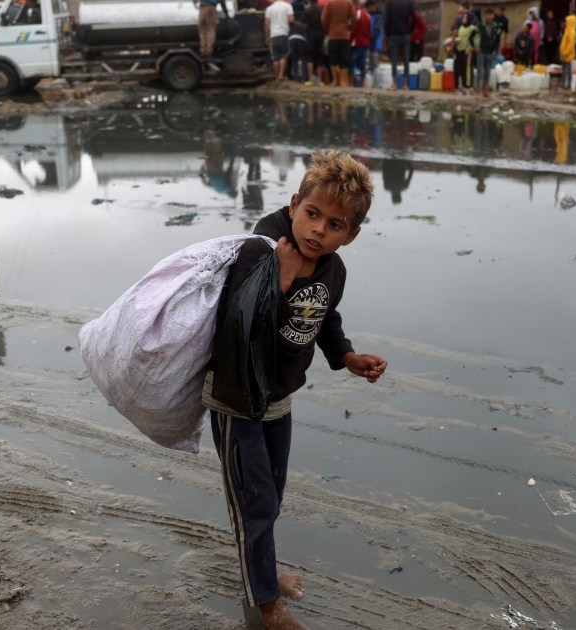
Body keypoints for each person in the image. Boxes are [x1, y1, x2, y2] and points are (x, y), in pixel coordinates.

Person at [205, 149, 386, 630]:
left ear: (351, 235)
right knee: (254, 501)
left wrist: (345, 356)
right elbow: (237, 326)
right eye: (311, 215)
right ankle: (265, 604)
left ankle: (261, 569)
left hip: (279, 399)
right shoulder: (259, 251)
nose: (318, 230)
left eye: (334, 225)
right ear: (293, 204)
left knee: (272, 496)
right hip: (236, 398)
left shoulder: (332, 268)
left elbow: (323, 316)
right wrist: (280, 281)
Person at [322, 0, 356, 86]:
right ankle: (343, 81)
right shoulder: (348, 3)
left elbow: (323, 19)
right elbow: (355, 17)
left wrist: (327, 30)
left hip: (333, 34)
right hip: (344, 35)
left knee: (333, 59)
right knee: (344, 59)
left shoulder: (330, 3)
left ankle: (334, 80)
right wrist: (350, 28)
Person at [383, 0, 413, 89]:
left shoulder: (390, 3)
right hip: (405, 34)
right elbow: (414, 17)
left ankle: (394, 84)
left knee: (394, 60)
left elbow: (387, 19)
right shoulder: (408, 2)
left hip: (393, 34)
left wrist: (387, 34)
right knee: (406, 59)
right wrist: (409, 30)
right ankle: (405, 84)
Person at [266, 0, 294, 81]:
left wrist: (267, 37)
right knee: (283, 56)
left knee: (275, 57)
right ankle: (281, 75)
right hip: (284, 33)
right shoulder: (287, 6)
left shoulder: (269, 8)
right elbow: (291, 19)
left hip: (273, 35)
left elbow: (266, 24)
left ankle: (276, 76)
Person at [475, 8, 501, 97]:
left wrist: (495, 50)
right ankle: (477, 91)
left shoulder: (496, 27)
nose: (488, 17)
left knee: (487, 72)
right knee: (480, 72)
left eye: (490, 15)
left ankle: (485, 91)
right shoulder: (480, 26)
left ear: (493, 16)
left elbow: (498, 40)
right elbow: (473, 37)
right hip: (481, 51)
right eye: (487, 15)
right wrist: (475, 46)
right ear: (484, 16)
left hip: (490, 52)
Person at [303, 0, 327, 85]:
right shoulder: (322, 10)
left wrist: (305, 34)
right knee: (319, 57)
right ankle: (319, 80)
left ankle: (310, 79)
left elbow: (304, 25)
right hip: (320, 35)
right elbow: (325, 22)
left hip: (310, 35)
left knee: (309, 57)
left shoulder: (307, 10)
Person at [350, 0, 372, 86]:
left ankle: (352, 82)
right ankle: (362, 83)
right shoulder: (368, 15)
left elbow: (354, 29)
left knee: (352, 63)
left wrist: (350, 39)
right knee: (362, 64)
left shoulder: (356, 14)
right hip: (365, 42)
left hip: (356, 42)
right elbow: (369, 31)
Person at [455, 11, 477, 94]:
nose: (464, 19)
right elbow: (460, 37)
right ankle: (463, 85)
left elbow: (474, 39)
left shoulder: (472, 28)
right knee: (461, 67)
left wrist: (470, 47)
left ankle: (468, 85)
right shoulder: (461, 28)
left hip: (467, 50)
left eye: (465, 18)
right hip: (460, 49)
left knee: (468, 68)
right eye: (463, 17)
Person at [559, 11, 576, 88]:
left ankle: (567, 84)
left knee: (567, 70)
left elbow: (571, 45)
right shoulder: (567, 30)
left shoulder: (572, 32)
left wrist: (565, 53)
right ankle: (564, 84)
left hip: (568, 55)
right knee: (564, 70)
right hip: (564, 54)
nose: (565, 23)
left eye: (567, 21)